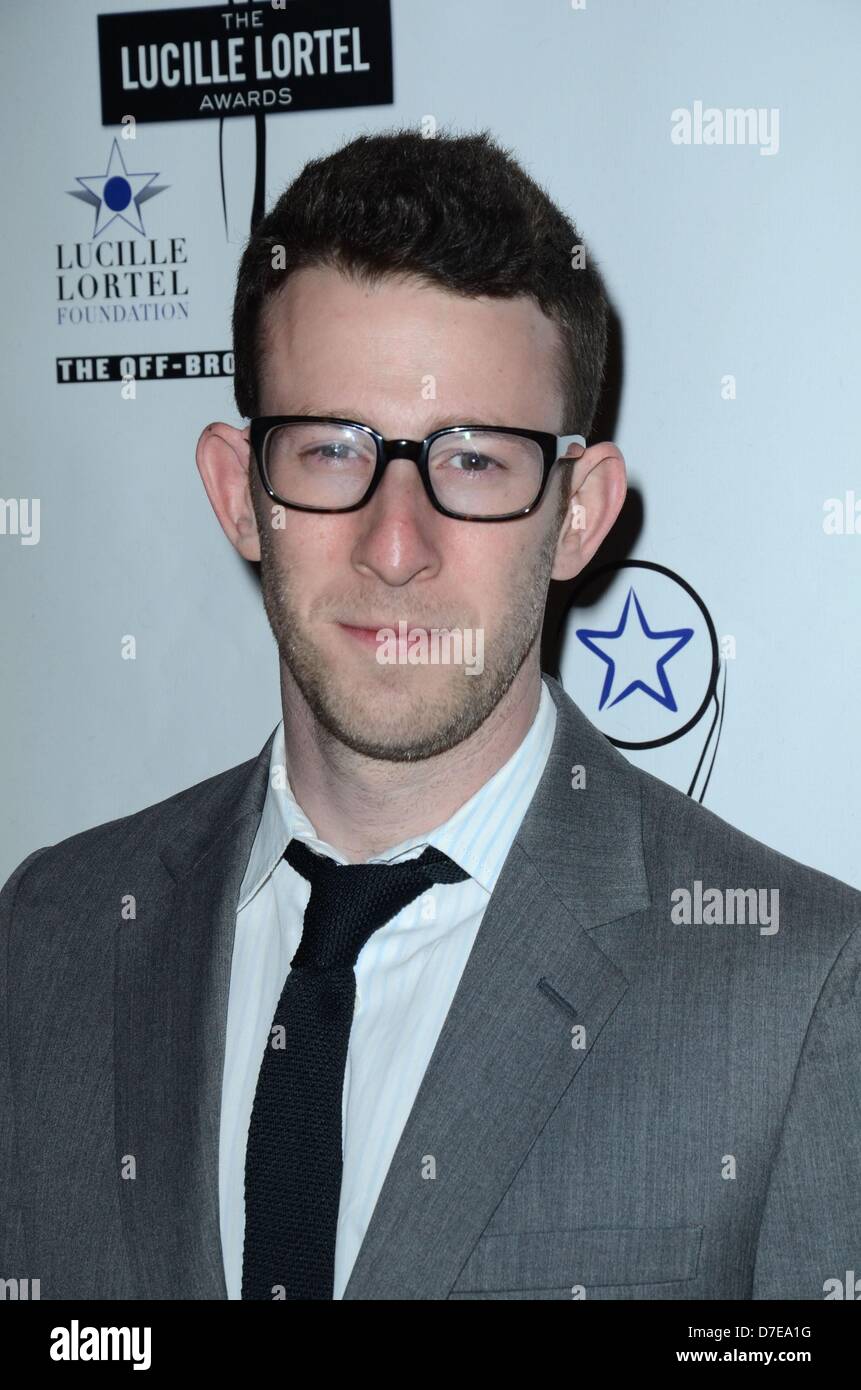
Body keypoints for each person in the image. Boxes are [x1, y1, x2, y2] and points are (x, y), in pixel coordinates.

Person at [2, 128, 859, 1302]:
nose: (395, 546)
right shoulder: (49, 934)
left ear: (578, 514)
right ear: (237, 492)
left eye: (473, 462)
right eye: (330, 448)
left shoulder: (794, 993)